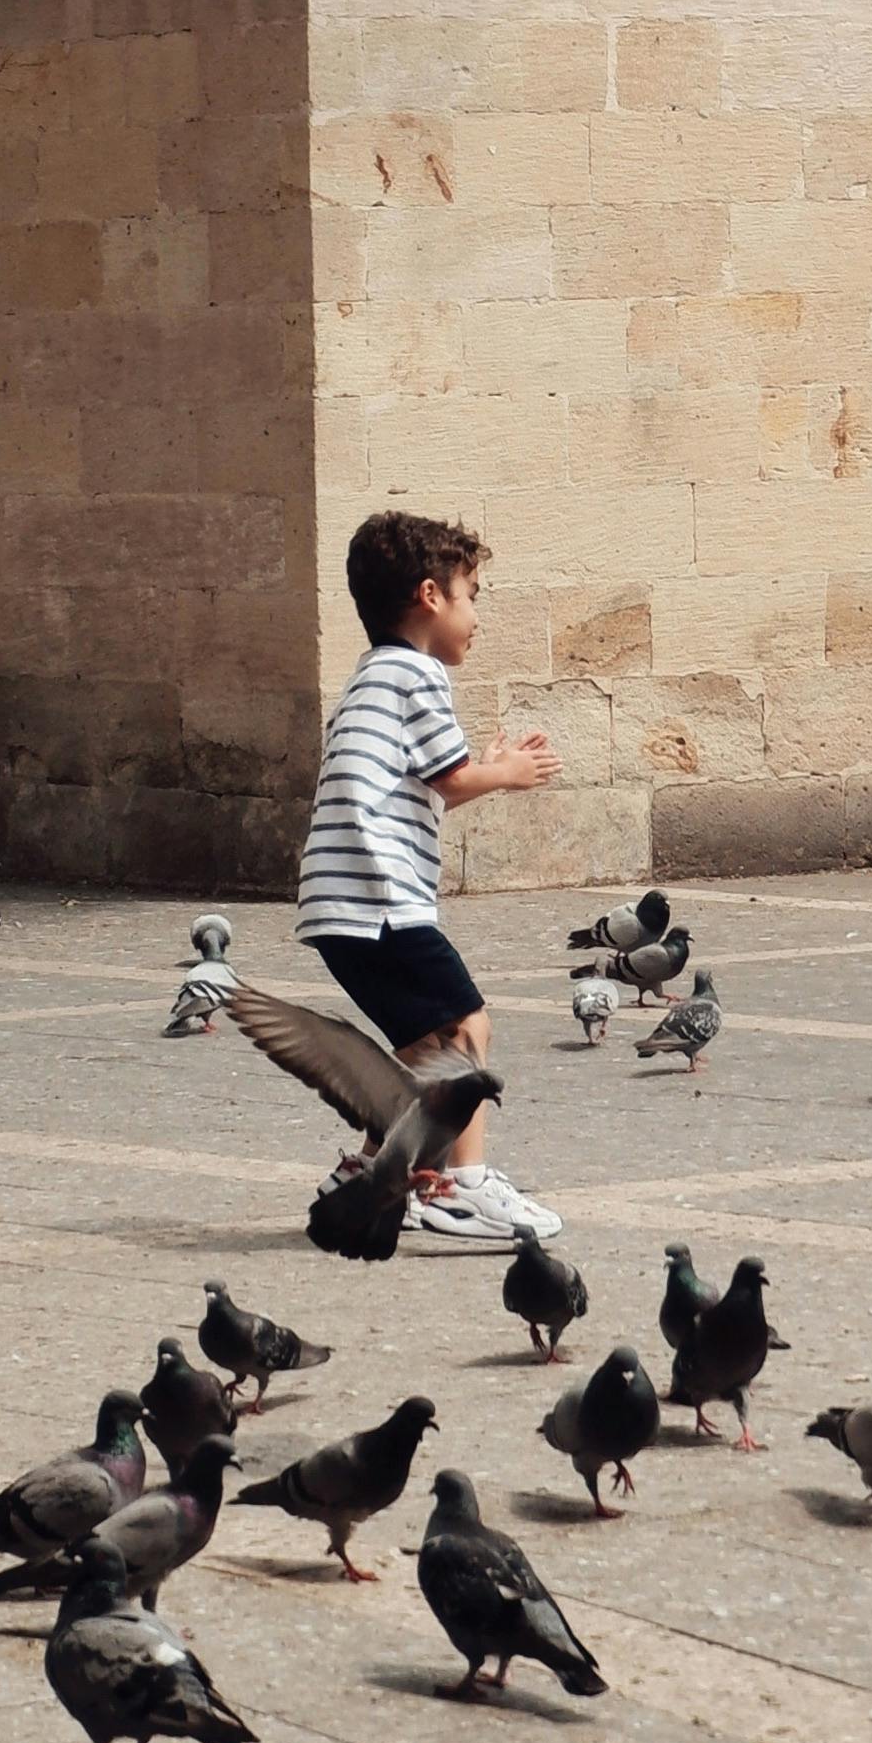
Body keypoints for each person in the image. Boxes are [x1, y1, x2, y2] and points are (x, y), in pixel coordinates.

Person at [297, 507, 562, 1247]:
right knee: (465, 1028)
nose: (475, 614)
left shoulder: (372, 673)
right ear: (428, 595)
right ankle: (463, 1189)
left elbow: (430, 774)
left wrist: (485, 764)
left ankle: (371, 1176)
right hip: (379, 899)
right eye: (470, 593)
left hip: (336, 905)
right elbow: (449, 779)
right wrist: (508, 771)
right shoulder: (417, 675)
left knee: (424, 1053)